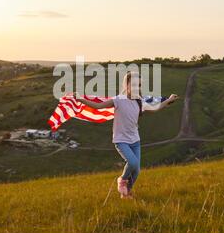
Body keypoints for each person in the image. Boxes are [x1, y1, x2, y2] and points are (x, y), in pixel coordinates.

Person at [74, 71, 179, 199]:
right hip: (121, 140)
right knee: (133, 163)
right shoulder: (118, 100)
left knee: (137, 171)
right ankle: (122, 181)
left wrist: (169, 100)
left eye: (139, 85)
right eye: (134, 84)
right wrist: (80, 99)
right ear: (127, 85)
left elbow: (155, 108)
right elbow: (98, 106)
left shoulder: (139, 102)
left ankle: (127, 193)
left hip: (135, 140)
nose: (137, 88)